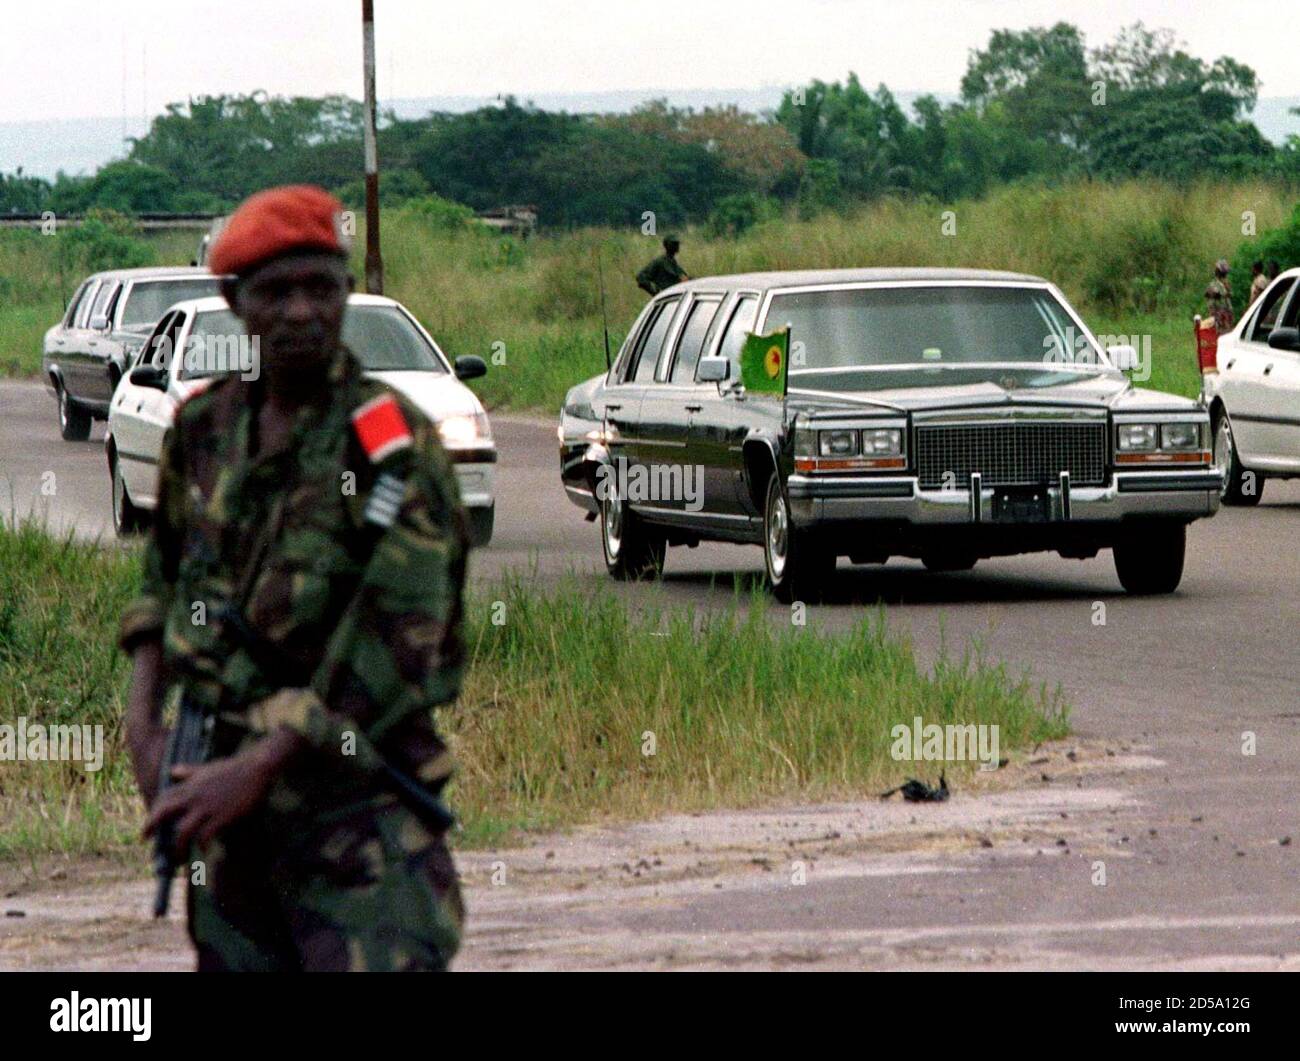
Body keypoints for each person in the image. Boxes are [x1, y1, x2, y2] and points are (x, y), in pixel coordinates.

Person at [120, 184, 470, 971]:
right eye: (276, 291)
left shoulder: (387, 444)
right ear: (235, 302)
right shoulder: (204, 430)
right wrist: (143, 728)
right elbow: (161, 584)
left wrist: (259, 764)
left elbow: (401, 648)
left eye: (322, 287)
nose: (302, 311)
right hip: (229, 829)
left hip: (359, 827)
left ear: (348, 293)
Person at [1204, 259, 1235, 335]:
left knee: (1224, 333)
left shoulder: (1223, 283)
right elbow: (1208, 294)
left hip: (1223, 313)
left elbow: (1227, 295)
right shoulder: (1217, 283)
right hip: (1219, 313)